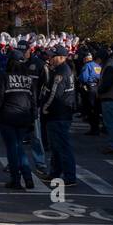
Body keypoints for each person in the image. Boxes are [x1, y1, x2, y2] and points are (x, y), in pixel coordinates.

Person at [0, 50, 39, 190]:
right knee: (19, 147)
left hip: (7, 117)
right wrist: (33, 118)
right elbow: (33, 100)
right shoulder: (28, 79)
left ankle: (15, 179)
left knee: (12, 149)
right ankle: (28, 177)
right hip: (24, 117)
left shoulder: (4, 77)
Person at [39, 46, 77, 186]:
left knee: (62, 146)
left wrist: (45, 107)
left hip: (58, 113)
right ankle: (55, 173)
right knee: (56, 146)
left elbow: (55, 94)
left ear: (61, 57)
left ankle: (69, 176)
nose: (50, 58)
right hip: (62, 112)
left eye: (53, 56)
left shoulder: (60, 73)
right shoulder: (64, 70)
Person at [96, 49, 113, 154]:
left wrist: (99, 90)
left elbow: (107, 84)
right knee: (112, 122)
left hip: (110, 98)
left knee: (111, 123)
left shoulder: (109, 67)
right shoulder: (110, 66)